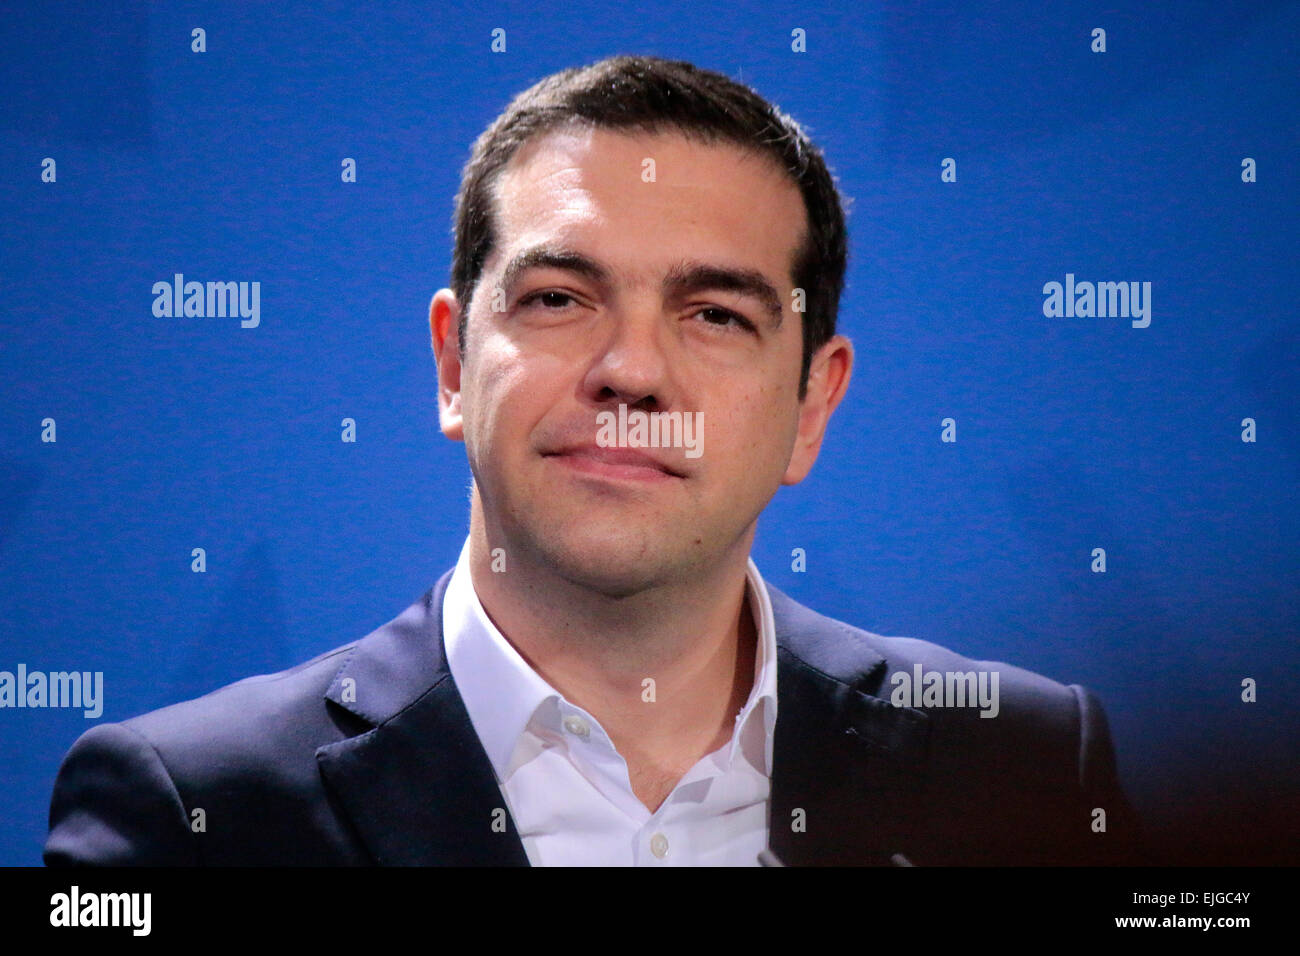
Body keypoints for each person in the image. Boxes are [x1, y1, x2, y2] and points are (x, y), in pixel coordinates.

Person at [45, 54, 1140, 866]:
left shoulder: (1028, 765)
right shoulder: (188, 808)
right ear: (451, 365)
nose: (631, 371)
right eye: (560, 299)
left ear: (813, 402)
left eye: (714, 314)